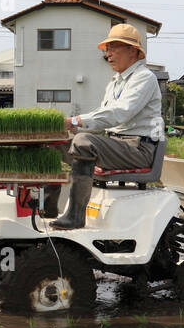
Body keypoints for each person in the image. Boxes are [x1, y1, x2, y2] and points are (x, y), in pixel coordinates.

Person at [49, 24, 165, 229]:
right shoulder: (115, 83)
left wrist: (76, 121)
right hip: (115, 145)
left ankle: (75, 216)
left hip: (138, 149)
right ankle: (48, 210)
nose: (108, 54)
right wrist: (71, 128)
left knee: (84, 143)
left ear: (132, 51)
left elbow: (119, 113)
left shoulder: (144, 78)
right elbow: (102, 121)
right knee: (53, 145)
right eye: (106, 50)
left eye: (113, 48)